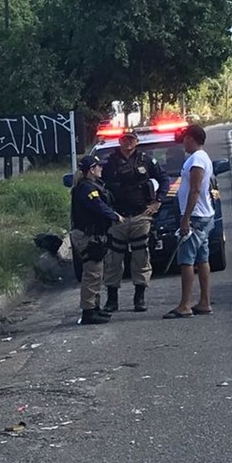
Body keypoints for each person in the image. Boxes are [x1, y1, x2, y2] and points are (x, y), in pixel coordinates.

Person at [101, 131, 170, 313]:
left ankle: (139, 298)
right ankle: (112, 300)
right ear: (119, 141)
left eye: (131, 139)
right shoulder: (109, 163)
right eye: (125, 139)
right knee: (113, 260)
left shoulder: (146, 160)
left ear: (137, 142)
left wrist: (158, 201)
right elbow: (98, 185)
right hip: (117, 217)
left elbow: (164, 179)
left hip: (141, 216)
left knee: (141, 258)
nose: (128, 143)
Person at [164, 124, 215, 319]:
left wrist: (185, 218)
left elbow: (195, 189)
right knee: (202, 258)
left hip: (196, 217)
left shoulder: (197, 160)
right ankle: (204, 302)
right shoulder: (199, 157)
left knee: (186, 260)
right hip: (203, 215)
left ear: (191, 138)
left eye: (185, 138)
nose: (183, 142)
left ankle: (185, 304)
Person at [70, 156, 122, 325]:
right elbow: (98, 206)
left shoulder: (93, 185)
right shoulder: (87, 188)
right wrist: (114, 216)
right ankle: (88, 312)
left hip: (93, 235)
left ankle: (95, 308)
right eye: (98, 166)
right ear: (91, 170)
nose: (101, 168)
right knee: (92, 273)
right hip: (87, 236)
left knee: (97, 272)